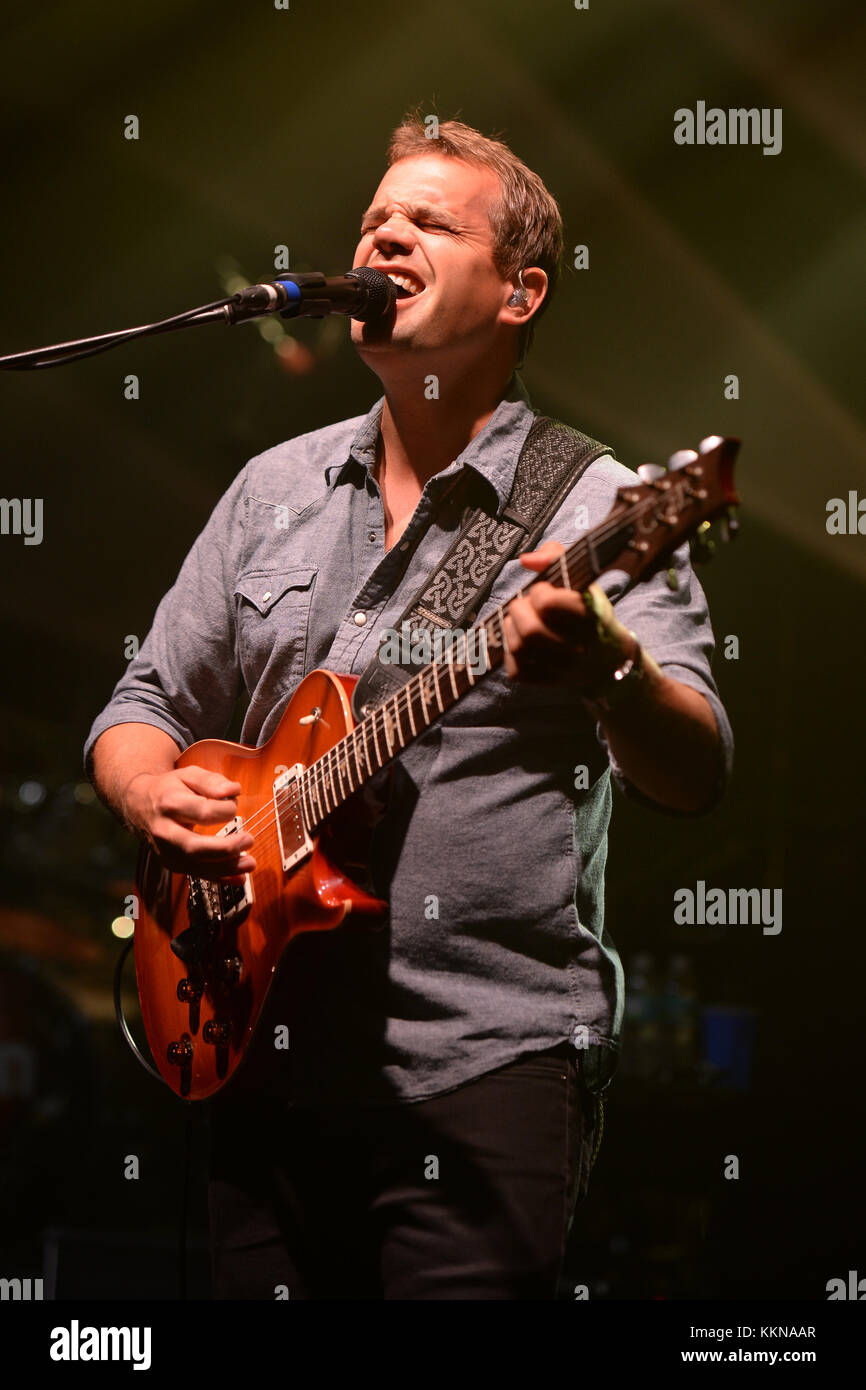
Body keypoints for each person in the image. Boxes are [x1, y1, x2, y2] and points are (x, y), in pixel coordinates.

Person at [85, 116, 733, 1300]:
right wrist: (146, 786)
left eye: (429, 222)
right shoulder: (270, 489)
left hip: (484, 1063)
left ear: (519, 292)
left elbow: (694, 767)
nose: (384, 232)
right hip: (258, 1048)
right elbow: (142, 702)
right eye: (374, 219)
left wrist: (608, 673)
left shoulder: (594, 503)